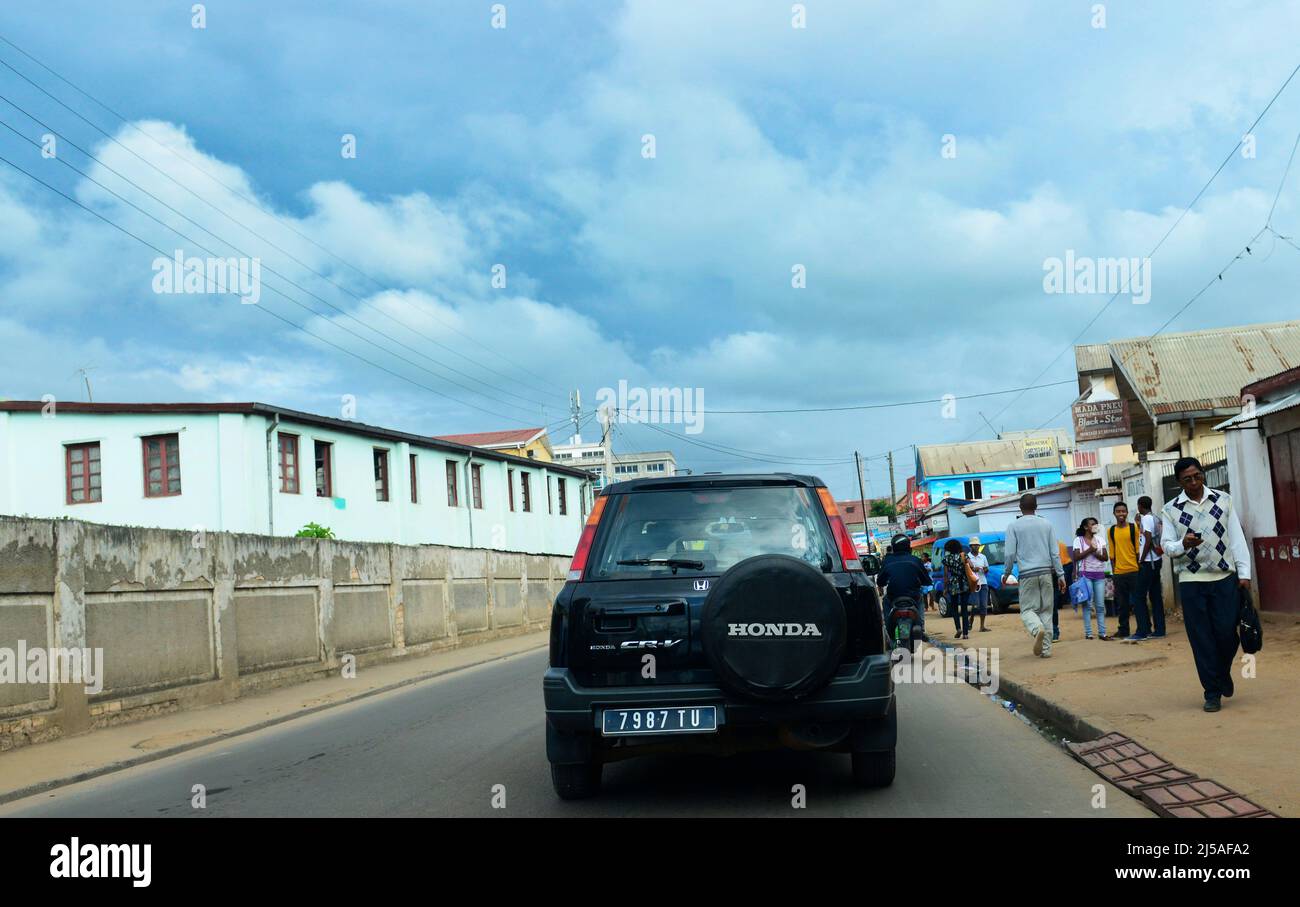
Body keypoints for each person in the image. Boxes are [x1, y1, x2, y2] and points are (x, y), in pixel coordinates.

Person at [1160, 457, 1252, 712]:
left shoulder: (1223, 500)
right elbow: (1166, 546)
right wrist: (1182, 545)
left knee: (1226, 634)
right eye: (1187, 479)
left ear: (1203, 475)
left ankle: (1222, 673)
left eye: (1197, 476)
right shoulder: (1170, 509)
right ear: (1179, 482)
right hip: (1192, 582)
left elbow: (1236, 538)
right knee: (1201, 639)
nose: (1193, 482)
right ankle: (1212, 692)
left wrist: (1244, 574)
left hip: (1224, 579)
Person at [1003, 493, 1066, 657]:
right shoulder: (1047, 524)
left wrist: (1007, 573)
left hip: (1026, 574)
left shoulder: (1013, 526)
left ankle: (1036, 628)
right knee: (1046, 611)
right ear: (1036, 507)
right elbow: (1055, 553)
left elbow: (1009, 554)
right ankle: (1046, 650)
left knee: (1027, 611)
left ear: (1020, 507)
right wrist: (1061, 575)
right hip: (1046, 573)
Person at [876, 534, 932, 643]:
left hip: (893, 597)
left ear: (893, 548)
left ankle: (888, 630)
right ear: (909, 547)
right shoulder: (915, 560)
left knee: (885, 602)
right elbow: (926, 580)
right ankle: (921, 627)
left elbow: (880, 581)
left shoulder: (887, 561)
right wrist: (924, 582)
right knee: (920, 600)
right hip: (913, 597)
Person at [1107, 502, 1150, 641]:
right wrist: (1114, 573)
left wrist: (1139, 566)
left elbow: (1138, 549)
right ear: (1114, 513)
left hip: (1134, 571)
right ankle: (1123, 630)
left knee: (1139, 602)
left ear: (1127, 513)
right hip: (1119, 573)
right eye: (1118, 511)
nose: (1121, 514)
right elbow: (1112, 554)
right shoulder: (1111, 531)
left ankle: (1143, 629)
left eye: (1123, 511)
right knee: (1122, 604)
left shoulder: (1133, 528)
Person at [1071, 517, 1109, 639]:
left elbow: (1105, 557)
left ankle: (1102, 632)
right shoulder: (1078, 540)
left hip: (1099, 574)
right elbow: (1076, 557)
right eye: (1093, 524)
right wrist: (1090, 550)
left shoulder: (1100, 540)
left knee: (1100, 605)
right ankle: (1089, 633)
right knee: (1087, 604)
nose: (1095, 526)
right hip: (1085, 575)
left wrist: (1094, 552)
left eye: (1096, 524)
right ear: (1086, 527)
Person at [1136, 495, 1166, 638]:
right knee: (1155, 596)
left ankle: (1143, 630)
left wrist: (1141, 559)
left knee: (1139, 596)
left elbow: (1147, 540)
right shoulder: (1155, 517)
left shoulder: (1146, 519)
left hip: (1149, 562)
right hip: (1156, 559)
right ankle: (1160, 630)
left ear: (1140, 506)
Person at [941, 538, 971, 640]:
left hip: (953, 583)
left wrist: (945, 588)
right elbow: (971, 566)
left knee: (954, 608)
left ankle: (958, 628)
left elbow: (945, 575)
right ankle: (966, 633)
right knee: (964, 609)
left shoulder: (946, 559)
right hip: (964, 583)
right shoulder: (964, 556)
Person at [967, 536, 992, 633]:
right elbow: (968, 570)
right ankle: (971, 619)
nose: (976, 547)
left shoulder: (983, 557)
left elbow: (987, 569)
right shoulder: (968, 557)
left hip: (983, 582)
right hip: (974, 583)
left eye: (977, 545)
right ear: (970, 546)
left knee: (984, 605)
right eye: (974, 545)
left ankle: (982, 626)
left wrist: (984, 569)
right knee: (975, 604)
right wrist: (974, 569)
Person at [1054, 538, 1074, 641]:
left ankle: (1061, 603)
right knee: (1068, 583)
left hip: (1062, 565)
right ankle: (1067, 600)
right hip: (1069, 564)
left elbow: (1057, 558)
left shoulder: (1054, 545)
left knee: (1060, 585)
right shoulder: (1061, 543)